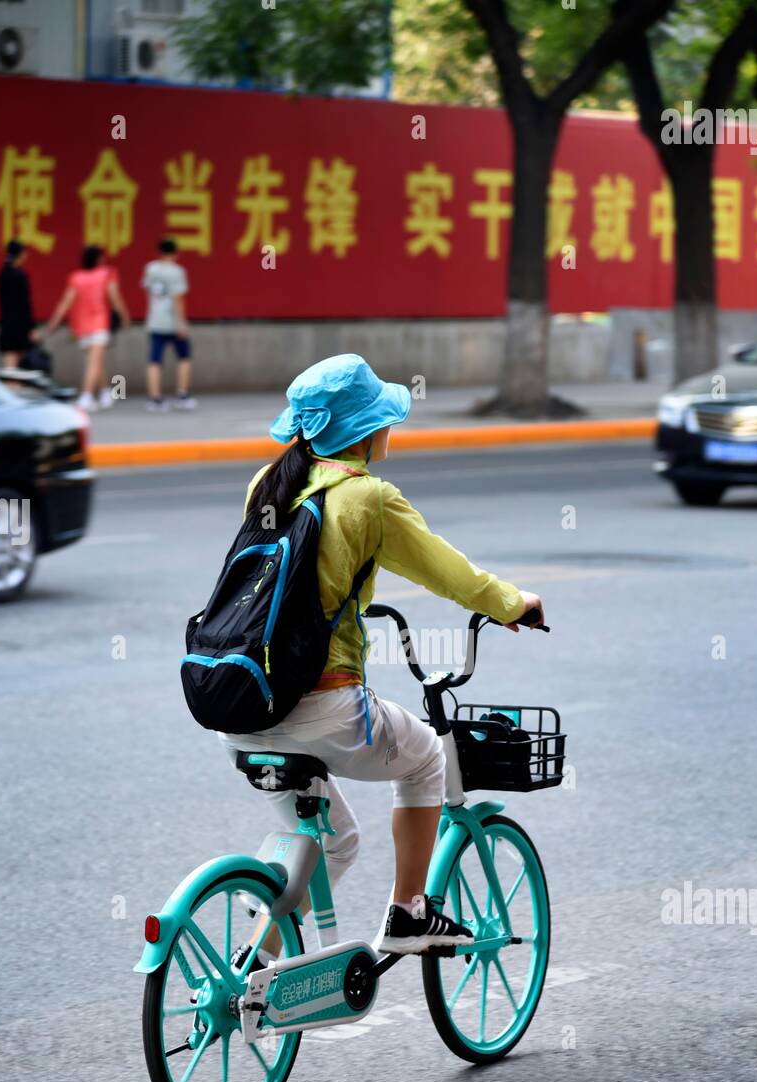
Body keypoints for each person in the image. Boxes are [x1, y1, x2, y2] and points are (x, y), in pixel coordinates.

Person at [217, 354, 544, 957]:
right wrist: (512, 603)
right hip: (323, 708)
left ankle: (254, 966)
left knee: (332, 840)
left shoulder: (266, 483)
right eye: (383, 418)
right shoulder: (367, 497)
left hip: (240, 707)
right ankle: (410, 913)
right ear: (364, 430)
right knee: (424, 761)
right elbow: (451, 575)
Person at [44, 246, 130, 411]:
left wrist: (53, 323)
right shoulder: (107, 273)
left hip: (81, 326)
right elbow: (115, 297)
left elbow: (65, 302)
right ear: (98, 259)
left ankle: (105, 393)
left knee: (95, 361)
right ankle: (87, 395)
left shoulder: (76, 277)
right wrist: (124, 315)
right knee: (94, 362)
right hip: (99, 323)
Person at [141, 238, 195, 411]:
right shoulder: (177, 272)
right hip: (172, 321)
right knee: (184, 357)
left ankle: (155, 398)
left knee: (154, 361)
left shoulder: (150, 269)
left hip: (155, 320)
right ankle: (182, 395)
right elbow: (178, 299)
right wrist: (182, 324)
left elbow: (148, 291)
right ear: (176, 253)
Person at [0, 240, 38, 367]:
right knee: (15, 371)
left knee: (11, 368)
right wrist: (31, 329)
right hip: (19, 328)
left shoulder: (2, 275)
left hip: (7, 326)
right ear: (20, 254)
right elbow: (24, 305)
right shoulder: (20, 276)